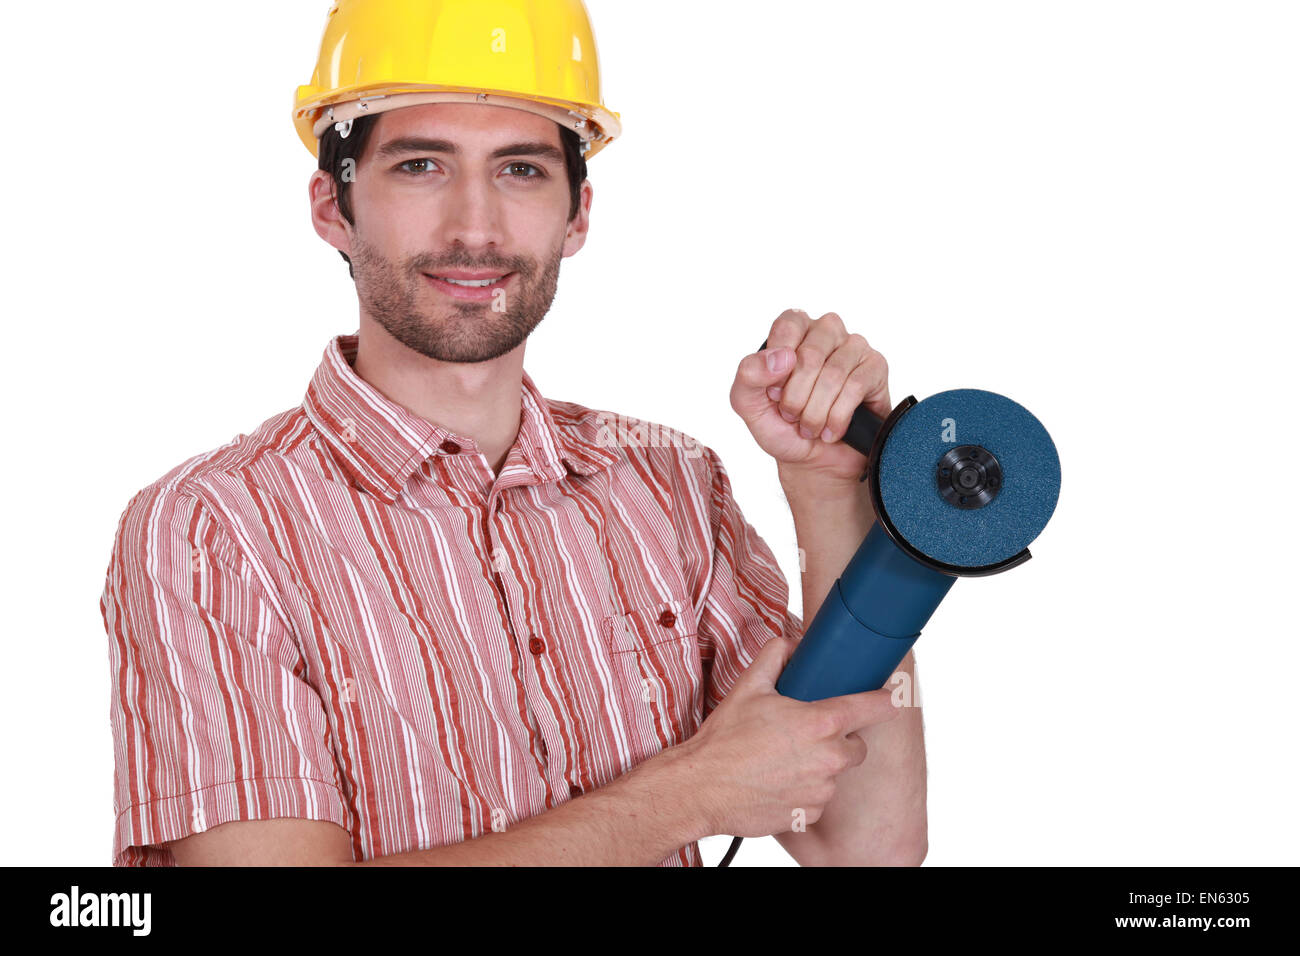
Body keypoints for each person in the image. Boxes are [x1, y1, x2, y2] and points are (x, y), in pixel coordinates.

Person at [99, 0, 927, 867]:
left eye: (521, 170)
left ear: (577, 215)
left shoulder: (671, 483)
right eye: (420, 165)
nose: (475, 228)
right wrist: (688, 794)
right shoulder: (212, 531)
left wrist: (834, 498)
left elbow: (864, 847)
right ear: (333, 207)